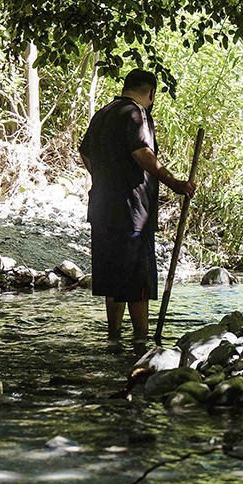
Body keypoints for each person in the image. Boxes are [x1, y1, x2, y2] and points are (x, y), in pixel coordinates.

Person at [78, 69, 195, 342]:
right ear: (151, 93)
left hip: (102, 210)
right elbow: (142, 151)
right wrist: (174, 183)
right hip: (131, 213)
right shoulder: (137, 113)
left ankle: (114, 338)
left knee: (112, 281)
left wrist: (104, 178)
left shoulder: (103, 113)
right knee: (136, 281)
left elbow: (85, 153)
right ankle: (141, 342)